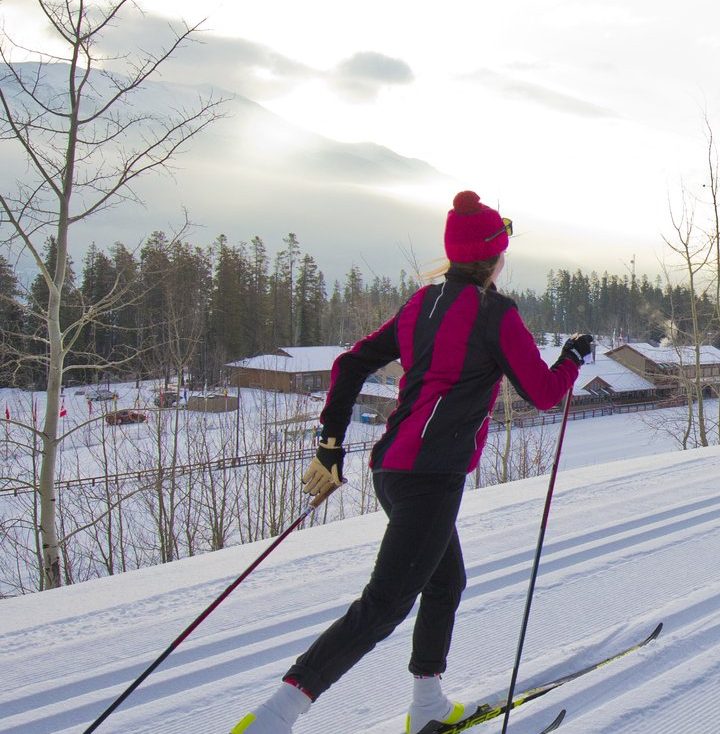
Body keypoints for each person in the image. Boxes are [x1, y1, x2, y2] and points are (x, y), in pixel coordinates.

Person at [233, 191, 593, 734]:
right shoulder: (496, 314)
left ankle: (427, 705)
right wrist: (571, 358)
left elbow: (351, 363)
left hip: (393, 472)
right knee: (383, 606)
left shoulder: (420, 304)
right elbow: (542, 392)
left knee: (446, 581)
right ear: (495, 257)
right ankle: (273, 718)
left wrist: (330, 443)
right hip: (432, 478)